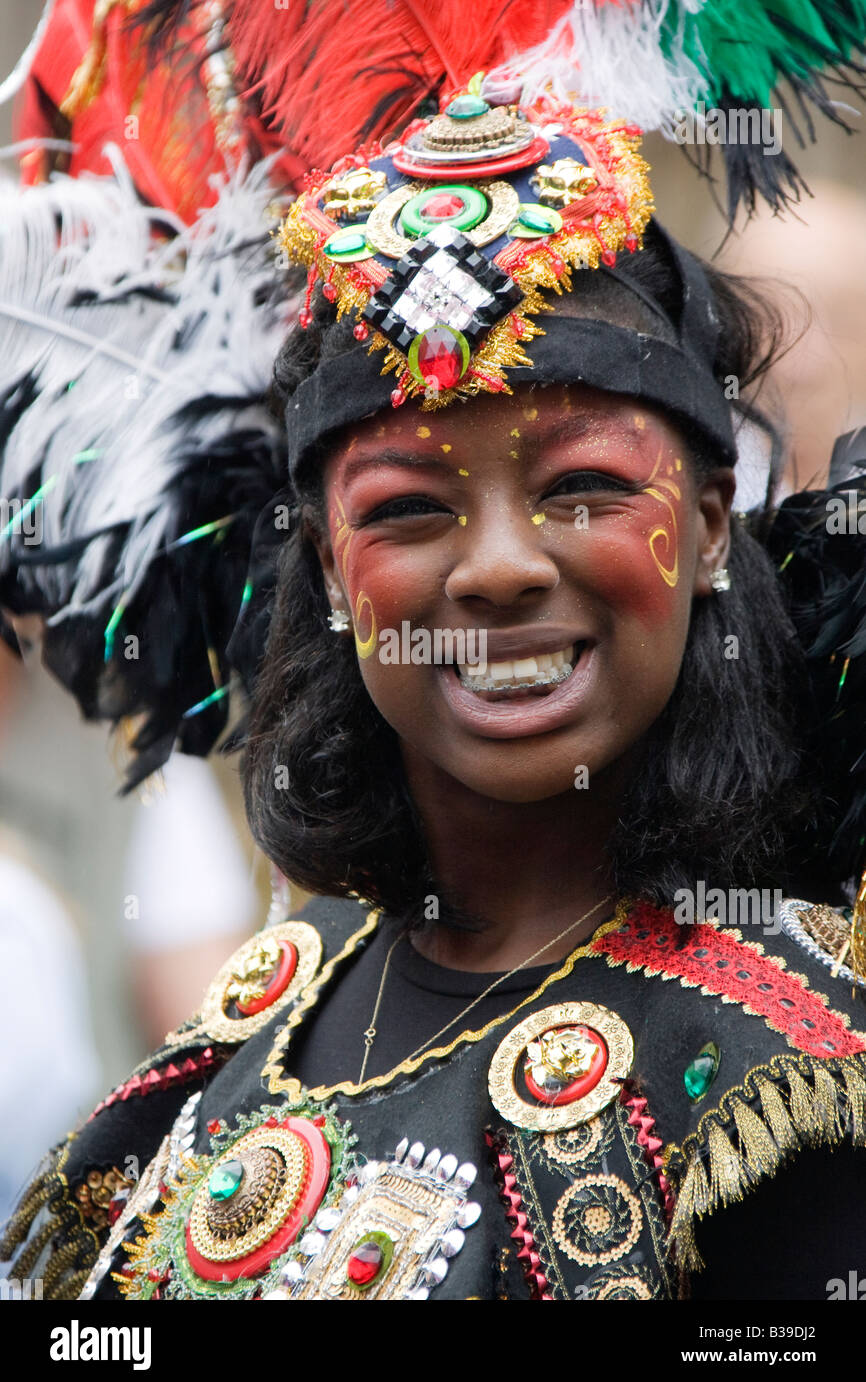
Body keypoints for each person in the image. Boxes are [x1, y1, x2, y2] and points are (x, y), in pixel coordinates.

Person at [2, 0, 866, 1304]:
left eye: (579, 487)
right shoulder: (227, 1047)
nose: (501, 564)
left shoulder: (781, 1093)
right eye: (407, 506)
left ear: (700, 528)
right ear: (332, 571)